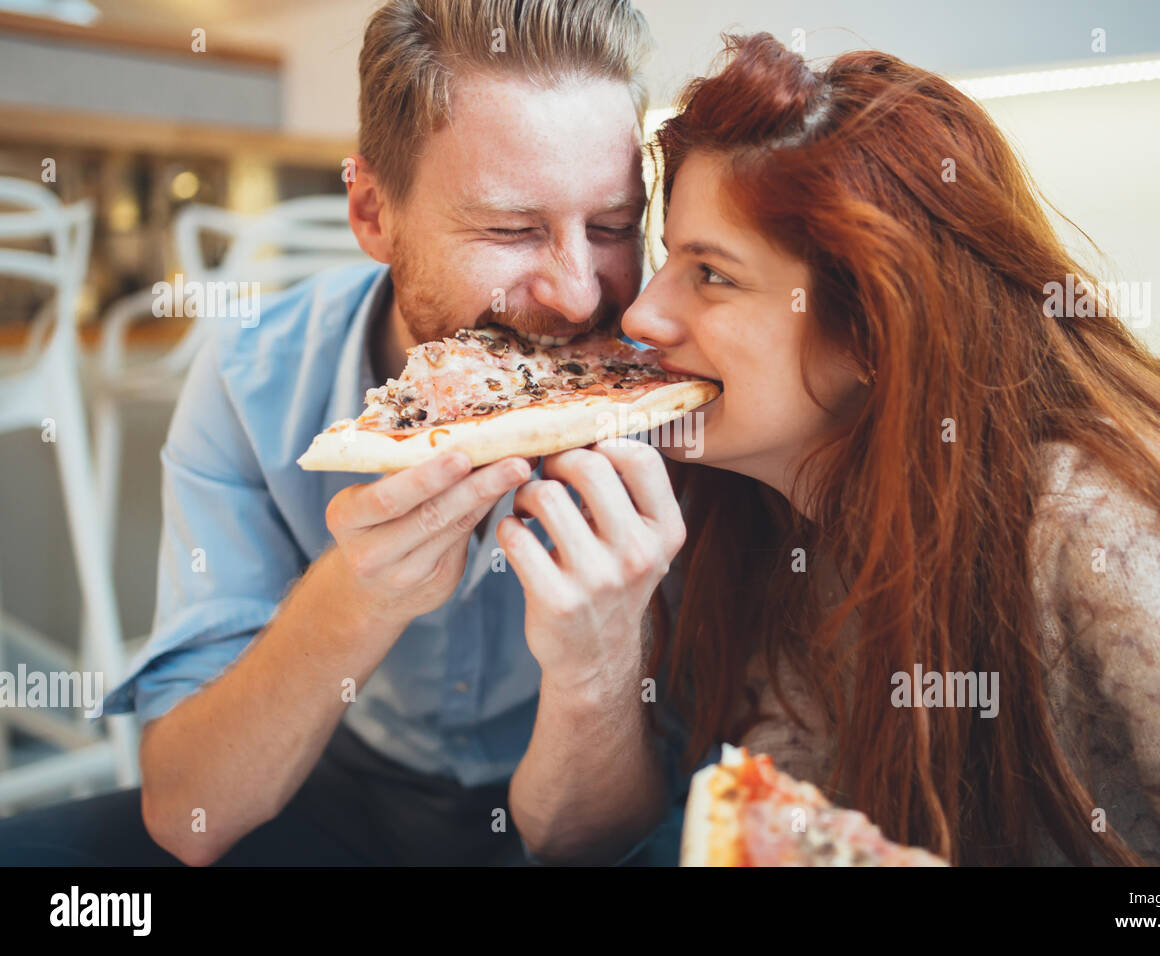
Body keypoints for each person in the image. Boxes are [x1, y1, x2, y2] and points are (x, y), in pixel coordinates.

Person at [504, 33, 1160, 865]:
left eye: (714, 275)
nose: (639, 317)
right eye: (668, 258)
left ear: (877, 332)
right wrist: (590, 664)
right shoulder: (745, 519)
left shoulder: (1100, 530)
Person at [0, 0, 681, 867]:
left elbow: (604, 840)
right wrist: (355, 598)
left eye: (616, 227)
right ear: (370, 212)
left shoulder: (680, 396)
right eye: (511, 229)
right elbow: (189, 815)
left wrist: (601, 672)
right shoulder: (253, 381)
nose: (582, 294)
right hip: (333, 780)